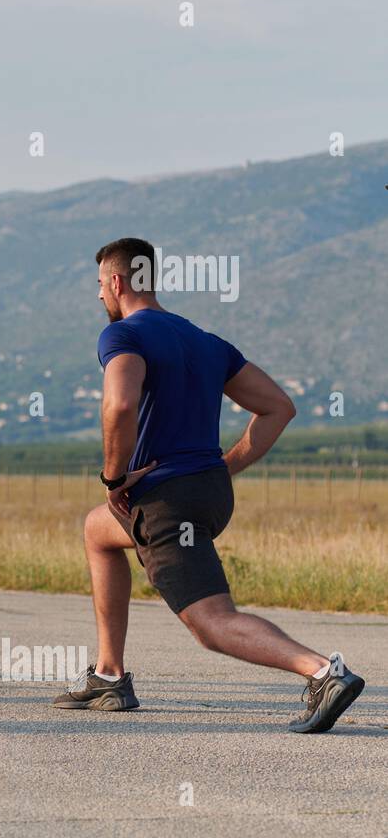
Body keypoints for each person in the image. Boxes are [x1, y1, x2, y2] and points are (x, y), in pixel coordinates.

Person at [54, 238, 364, 733]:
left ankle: (324, 672)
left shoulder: (123, 336)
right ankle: (109, 675)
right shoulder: (206, 341)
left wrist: (114, 477)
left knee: (211, 623)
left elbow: (119, 406)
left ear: (116, 283)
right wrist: (226, 465)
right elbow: (278, 407)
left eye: (98, 286)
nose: (98, 298)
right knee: (98, 530)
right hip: (211, 493)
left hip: (166, 502)